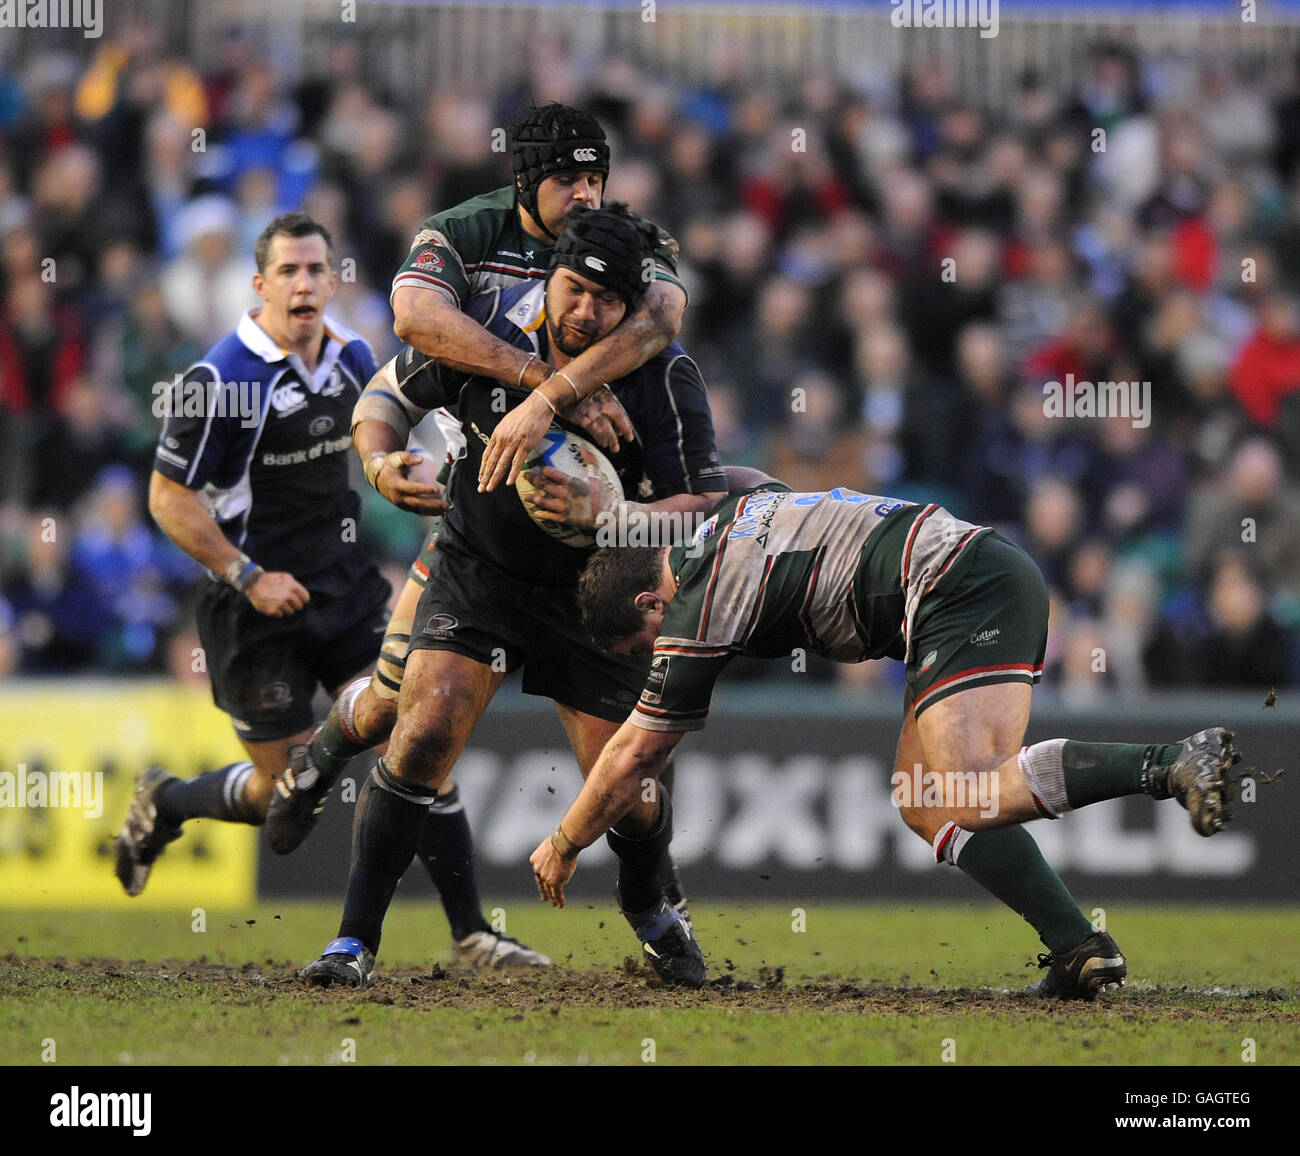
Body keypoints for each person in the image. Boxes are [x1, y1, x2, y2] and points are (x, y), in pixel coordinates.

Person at [532, 477, 1244, 1000]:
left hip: (960, 588)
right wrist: (618, 513)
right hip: (956, 583)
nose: (656, 656)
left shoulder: (698, 600)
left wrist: (564, 842)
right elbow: (741, 482)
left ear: (649, 602)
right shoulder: (728, 515)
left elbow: (639, 752)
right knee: (923, 800)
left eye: (644, 643)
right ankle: (1078, 948)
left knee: (966, 788)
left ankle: (1174, 762)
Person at [266, 102, 695, 968]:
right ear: (526, 180)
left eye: (597, 178)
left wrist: (563, 401)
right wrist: (384, 457)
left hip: (594, 580)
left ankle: (654, 913)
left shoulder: (645, 313)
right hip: (480, 541)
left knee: (631, 786)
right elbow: (408, 344)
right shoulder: (473, 258)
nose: (585, 194)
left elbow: (663, 323)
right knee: (412, 719)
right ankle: (350, 927)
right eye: (568, 178)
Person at [113, 212, 391, 897]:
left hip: (343, 584)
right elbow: (166, 499)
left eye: (316, 269)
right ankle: (167, 801)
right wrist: (248, 575)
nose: (304, 283)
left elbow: (385, 445)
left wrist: (401, 468)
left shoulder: (355, 356)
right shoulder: (219, 378)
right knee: (285, 795)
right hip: (255, 607)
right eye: (288, 271)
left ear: (333, 280)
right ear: (260, 285)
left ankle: (472, 933)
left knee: (410, 742)